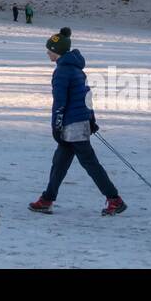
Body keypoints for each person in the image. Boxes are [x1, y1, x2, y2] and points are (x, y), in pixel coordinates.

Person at [29, 28, 126, 216]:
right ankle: (47, 199)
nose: (47, 53)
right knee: (59, 163)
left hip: (71, 126)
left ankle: (115, 199)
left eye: (50, 50)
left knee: (90, 164)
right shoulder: (76, 69)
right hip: (78, 123)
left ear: (58, 51)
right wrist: (91, 119)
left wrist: (56, 126)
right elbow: (86, 97)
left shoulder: (62, 72)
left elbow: (60, 102)